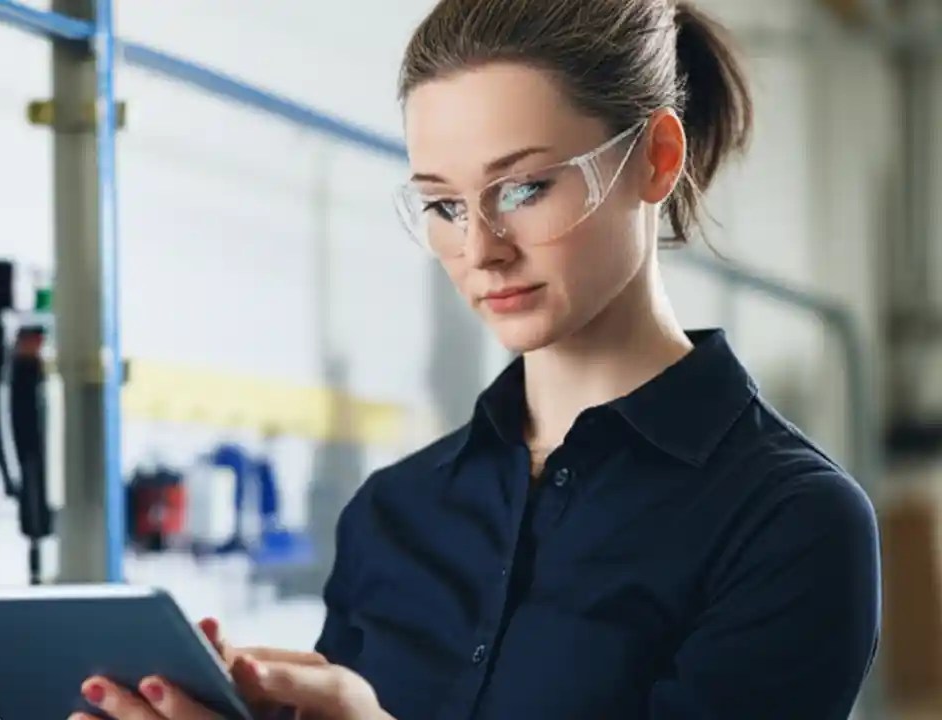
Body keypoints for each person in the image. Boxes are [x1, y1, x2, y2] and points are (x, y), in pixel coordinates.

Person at [76, 0, 882, 717]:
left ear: (654, 159)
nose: (480, 249)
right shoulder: (392, 512)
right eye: (444, 204)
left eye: (525, 188)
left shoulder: (791, 522)